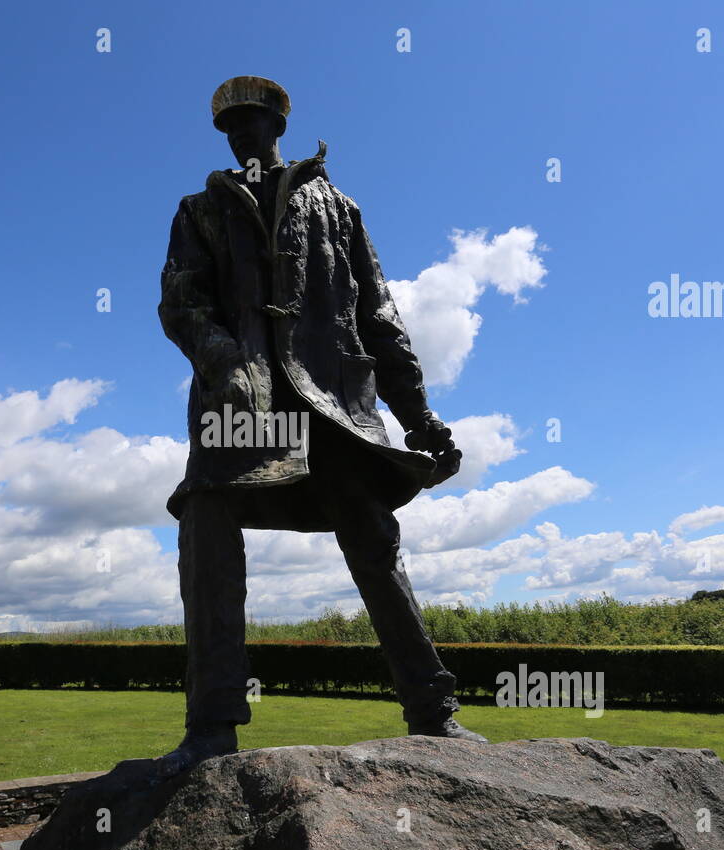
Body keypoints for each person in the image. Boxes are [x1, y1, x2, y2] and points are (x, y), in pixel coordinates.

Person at [157, 76, 486, 775]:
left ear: (278, 124)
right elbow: (182, 305)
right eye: (230, 128)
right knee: (207, 518)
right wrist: (230, 363)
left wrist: (418, 416)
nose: (242, 135)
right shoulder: (199, 209)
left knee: (372, 536)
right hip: (239, 403)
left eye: (253, 122)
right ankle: (211, 724)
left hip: (334, 403)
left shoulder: (338, 207)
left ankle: (434, 712)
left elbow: (380, 317)